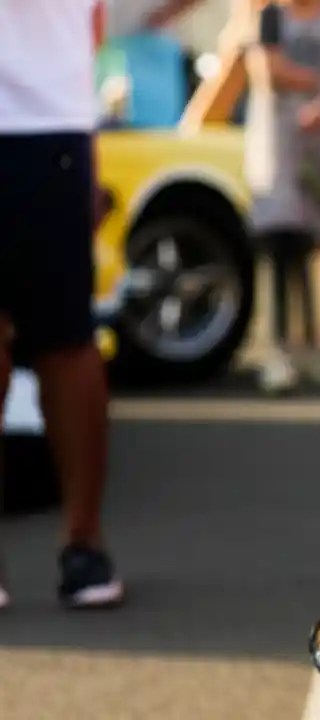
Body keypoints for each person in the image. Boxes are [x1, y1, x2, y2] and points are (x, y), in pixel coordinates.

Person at [0, 0, 124, 610]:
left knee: (68, 342)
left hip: (48, 121)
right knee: (66, 341)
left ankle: (83, 542)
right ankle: (82, 546)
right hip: (55, 125)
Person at [245, 0, 320, 392]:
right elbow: (268, 71)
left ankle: (316, 346)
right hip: (279, 152)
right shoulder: (272, 17)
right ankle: (278, 348)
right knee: (280, 249)